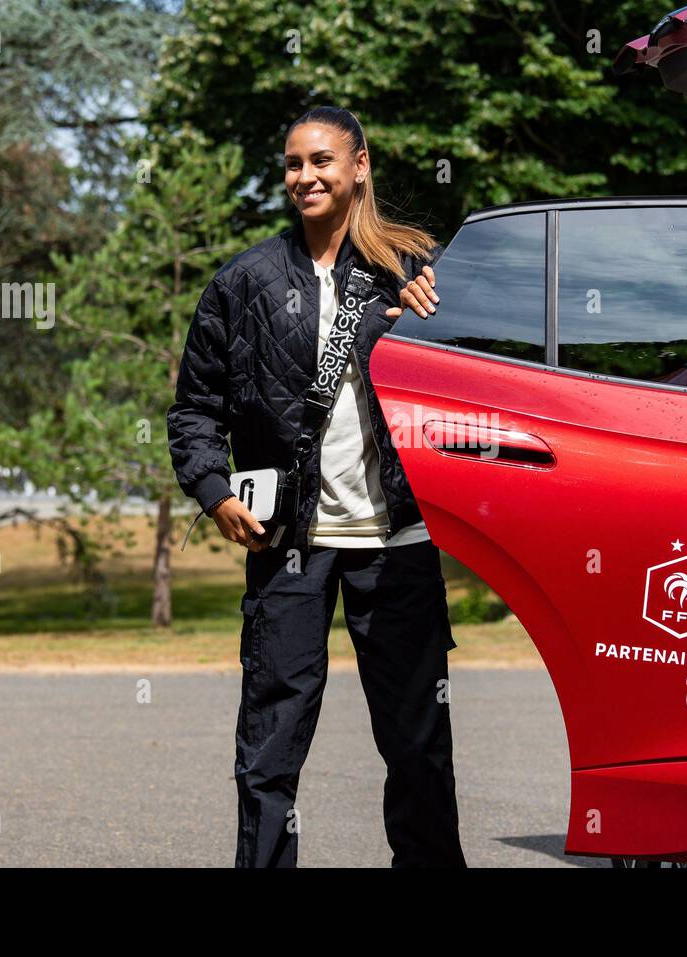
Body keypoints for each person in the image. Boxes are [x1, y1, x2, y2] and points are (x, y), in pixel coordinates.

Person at [166, 105, 464, 868]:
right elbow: (195, 408)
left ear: (360, 165)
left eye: (323, 160)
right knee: (268, 750)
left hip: (397, 542)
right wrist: (212, 490)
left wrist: (434, 323)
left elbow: (473, 381)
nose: (306, 176)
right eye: (295, 163)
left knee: (418, 749)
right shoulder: (244, 282)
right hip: (289, 544)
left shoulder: (417, 269)